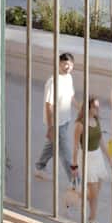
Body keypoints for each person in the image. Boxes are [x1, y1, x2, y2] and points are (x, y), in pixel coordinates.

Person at [35, 52, 77, 183]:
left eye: (70, 64)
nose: (67, 67)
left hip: (66, 120)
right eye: (64, 64)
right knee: (66, 154)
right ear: (59, 64)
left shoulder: (69, 77)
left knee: (52, 146)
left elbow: (71, 96)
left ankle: (39, 167)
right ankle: (76, 182)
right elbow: (49, 106)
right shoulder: (53, 82)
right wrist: (50, 127)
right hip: (56, 123)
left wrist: (81, 108)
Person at [71, 95, 110, 223]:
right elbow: (76, 145)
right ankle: (75, 199)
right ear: (88, 108)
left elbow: (101, 140)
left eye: (98, 106)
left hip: (97, 156)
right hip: (86, 157)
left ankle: (92, 218)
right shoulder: (80, 124)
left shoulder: (96, 120)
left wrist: (109, 157)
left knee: (96, 191)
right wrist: (74, 165)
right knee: (92, 191)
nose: (98, 109)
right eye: (95, 107)